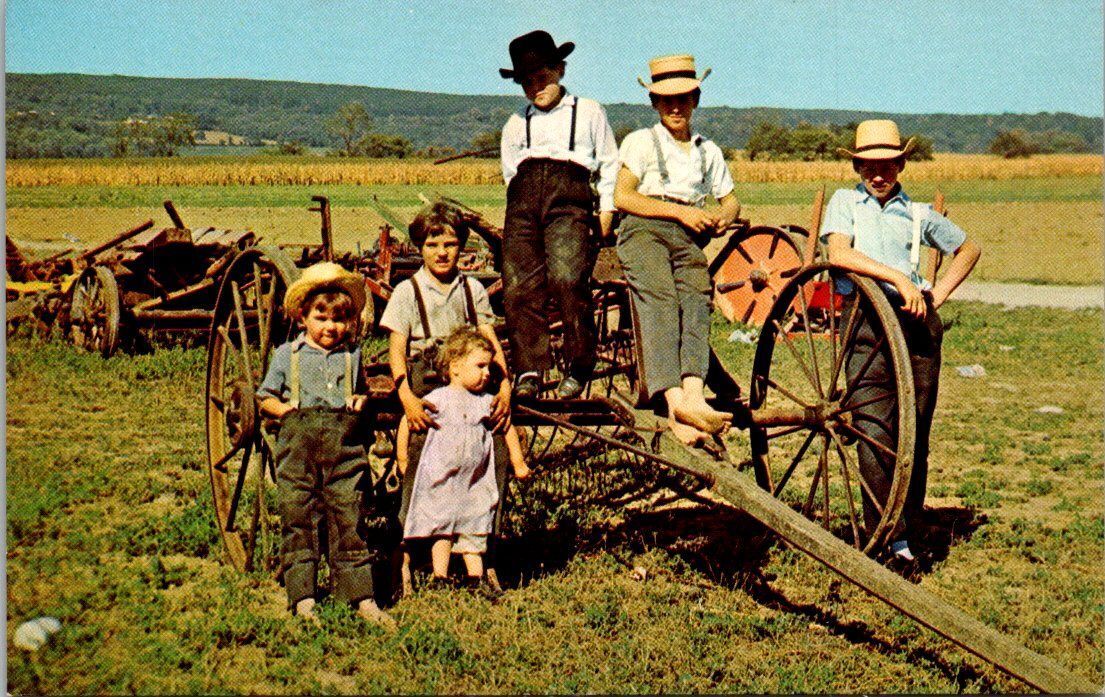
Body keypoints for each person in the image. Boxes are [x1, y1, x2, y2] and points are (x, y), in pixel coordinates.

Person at [821, 119, 981, 562]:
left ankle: (905, 536)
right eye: (869, 166)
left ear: (901, 164)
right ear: (856, 166)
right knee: (875, 431)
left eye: (887, 165)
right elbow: (838, 254)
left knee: (915, 434)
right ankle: (882, 535)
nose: (878, 174)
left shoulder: (918, 214)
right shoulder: (844, 203)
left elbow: (968, 250)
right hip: (866, 324)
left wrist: (937, 294)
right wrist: (897, 277)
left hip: (915, 326)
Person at [378, 201, 522, 594]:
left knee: (496, 447)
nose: (442, 252)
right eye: (432, 244)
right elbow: (396, 346)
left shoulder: (472, 288)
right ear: (419, 248)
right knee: (422, 455)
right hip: (426, 380)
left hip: (470, 377)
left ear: (462, 248)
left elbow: (489, 338)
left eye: (451, 244)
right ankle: (406, 552)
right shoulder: (408, 292)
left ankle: (484, 553)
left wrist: (504, 385)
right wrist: (405, 394)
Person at [256, 262, 394, 628]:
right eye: (321, 317)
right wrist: (285, 410)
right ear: (303, 317)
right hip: (298, 447)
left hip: (344, 446)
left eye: (339, 318)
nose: (330, 327)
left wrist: (361, 401)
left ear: (349, 321)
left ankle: (360, 595)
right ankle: (303, 596)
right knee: (298, 513)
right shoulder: (288, 355)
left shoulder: (354, 356)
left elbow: (362, 392)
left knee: (350, 514)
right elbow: (265, 397)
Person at [613, 54, 740, 446]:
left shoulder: (708, 150)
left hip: (689, 239)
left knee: (697, 300)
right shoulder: (641, 141)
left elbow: (732, 200)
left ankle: (694, 396)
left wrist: (722, 216)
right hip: (644, 230)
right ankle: (673, 404)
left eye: (683, 98)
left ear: (695, 100)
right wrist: (680, 213)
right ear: (654, 103)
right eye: (666, 100)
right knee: (661, 300)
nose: (675, 106)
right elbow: (623, 196)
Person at [499, 30, 620, 399]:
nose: (536, 87)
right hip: (522, 203)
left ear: (560, 71)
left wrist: (606, 209)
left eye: (542, 77)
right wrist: (522, 206)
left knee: (568, 279)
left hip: (569, 199)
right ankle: (530, 370)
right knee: (519, 286)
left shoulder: (588, 112)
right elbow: (510, 175)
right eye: (527, 82)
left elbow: (610, 164)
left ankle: (579, 365)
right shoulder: (516, 124)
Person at [397, 326, 529, 592]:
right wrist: (402, 457)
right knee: (442, 524)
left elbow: (506, 428)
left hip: (475, 478)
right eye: (480, 366)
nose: (487, 373)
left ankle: (476, 578)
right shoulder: (438, 398)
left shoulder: (486, 401)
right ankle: (440, 576)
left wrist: (518, 461)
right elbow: (406, 421)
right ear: (455, 367)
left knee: (475, 523)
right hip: (442, 476)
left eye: (489, 368)